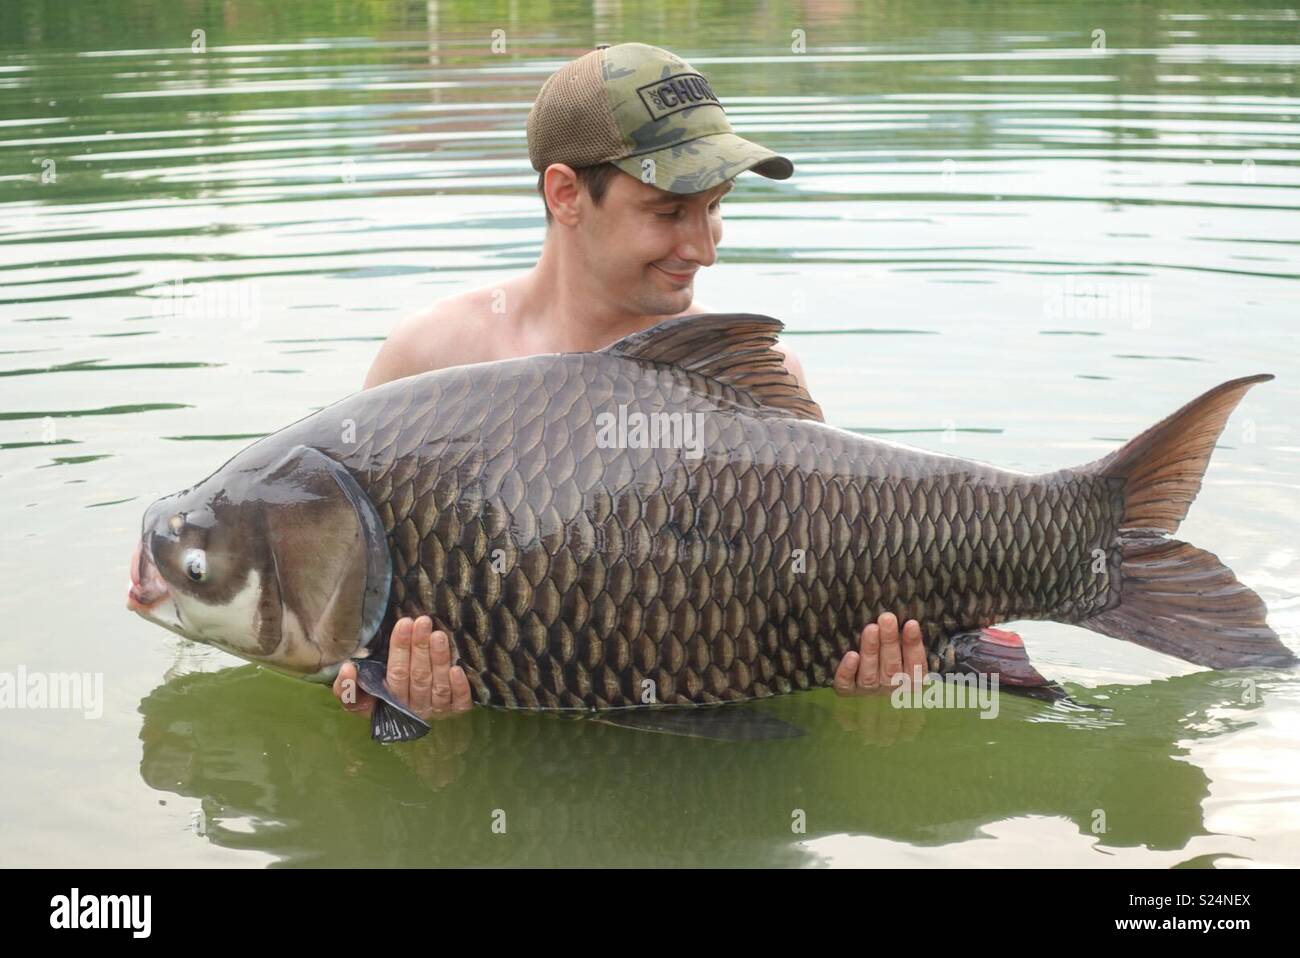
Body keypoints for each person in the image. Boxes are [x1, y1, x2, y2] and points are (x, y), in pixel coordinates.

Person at [333, 42, 927, 724]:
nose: (702, 247)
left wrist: (874, 689)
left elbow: (820, 587)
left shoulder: (759, 379)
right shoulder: (430, 362)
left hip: (727, 774)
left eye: (715, 208)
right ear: (566, 194)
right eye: (669, 213)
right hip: (526, 786)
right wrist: (382, 700)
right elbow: (346, 636)